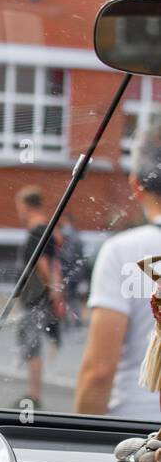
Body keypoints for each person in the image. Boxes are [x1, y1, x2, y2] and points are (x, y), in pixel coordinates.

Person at [74, 120, 161, 421]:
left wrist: (83, 435)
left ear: (136, 185)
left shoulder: (122, 252)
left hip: (132, 426)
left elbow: (100, 370)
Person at [14, 186, 64, 407]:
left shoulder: (37, 231)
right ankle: (33, 392)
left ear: (25, 206)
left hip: (35, 296)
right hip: (39, 295)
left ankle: (33, 394)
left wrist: (52, 289)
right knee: (32, 343)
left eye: (19, 207)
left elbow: (42, 262)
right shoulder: (48, 228)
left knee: (32, 344)